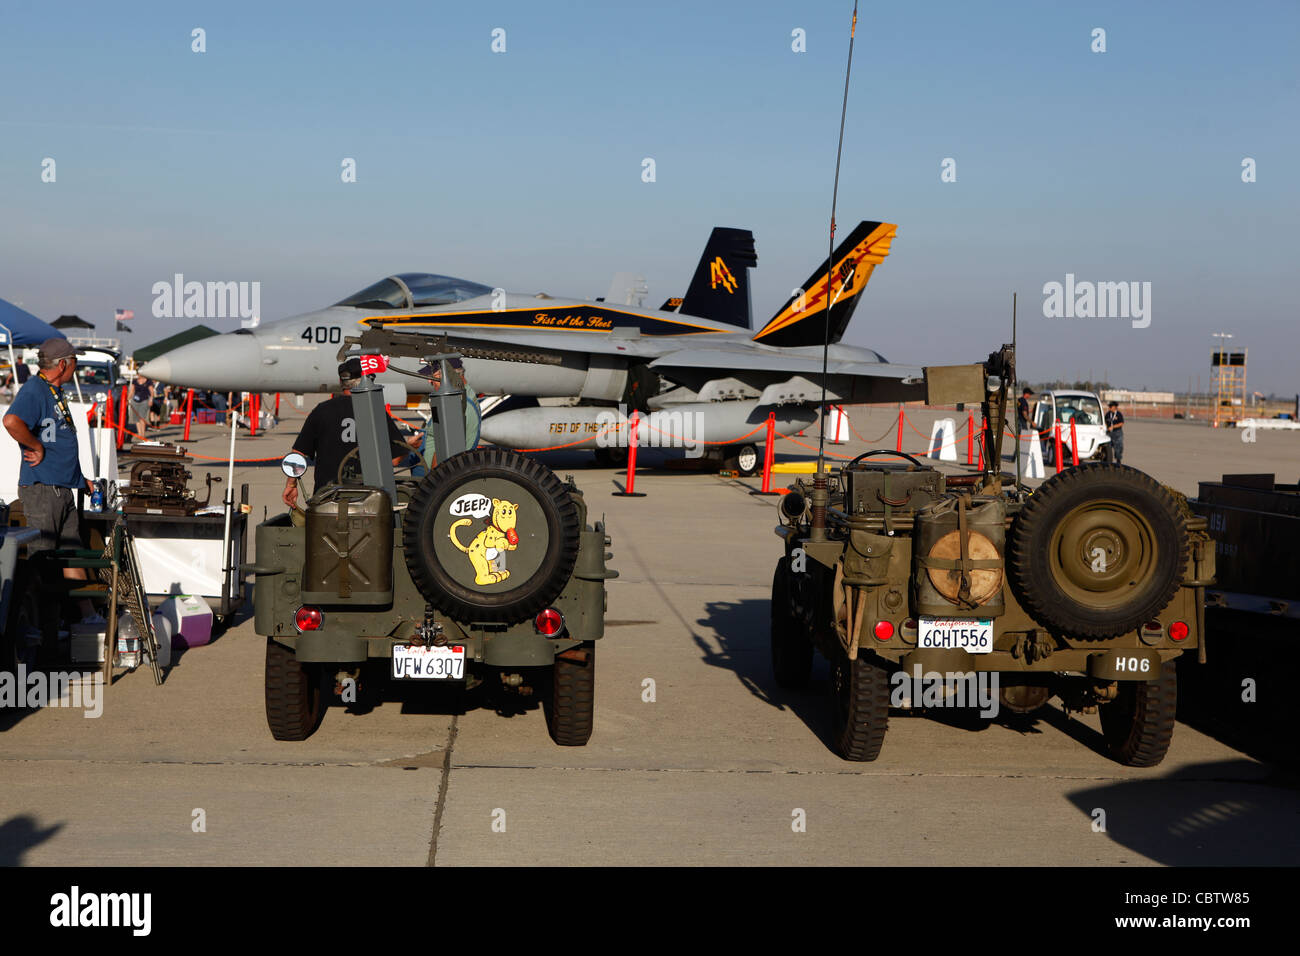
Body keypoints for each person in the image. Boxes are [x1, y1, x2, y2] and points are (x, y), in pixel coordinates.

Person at [2, 339, 98, 622]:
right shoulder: (35, 389)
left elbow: (58, 442)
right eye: (75, 361)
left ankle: (87, 615)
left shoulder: (53, 390)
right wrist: (35, 446)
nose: (77, 367)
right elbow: (11, 421)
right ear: (64, 364)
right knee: (40, 560)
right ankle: (36, 625)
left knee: (72, 553)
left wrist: (82, 480)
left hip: (62, 488)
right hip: (43, 489)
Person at [282, 363, 421, 509]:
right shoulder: (374, 410)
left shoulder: (321, 411)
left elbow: (298, 454)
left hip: (326, 499)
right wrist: (409, 446)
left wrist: (291, 484)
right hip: (366, 501)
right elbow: (394, 460)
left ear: (341, 382)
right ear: (365, 380)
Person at [129, 372, 154, 441]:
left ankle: (143, 434)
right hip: (135, 401)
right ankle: (139, 434)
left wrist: (151, 400)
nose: (138, 375)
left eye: (139, 374)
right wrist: (127, 399)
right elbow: (132, 391)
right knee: (136, 418)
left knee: (142, 418)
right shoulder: (135, 381)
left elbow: (152, 392)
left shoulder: (148, 382)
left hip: (144, 401)